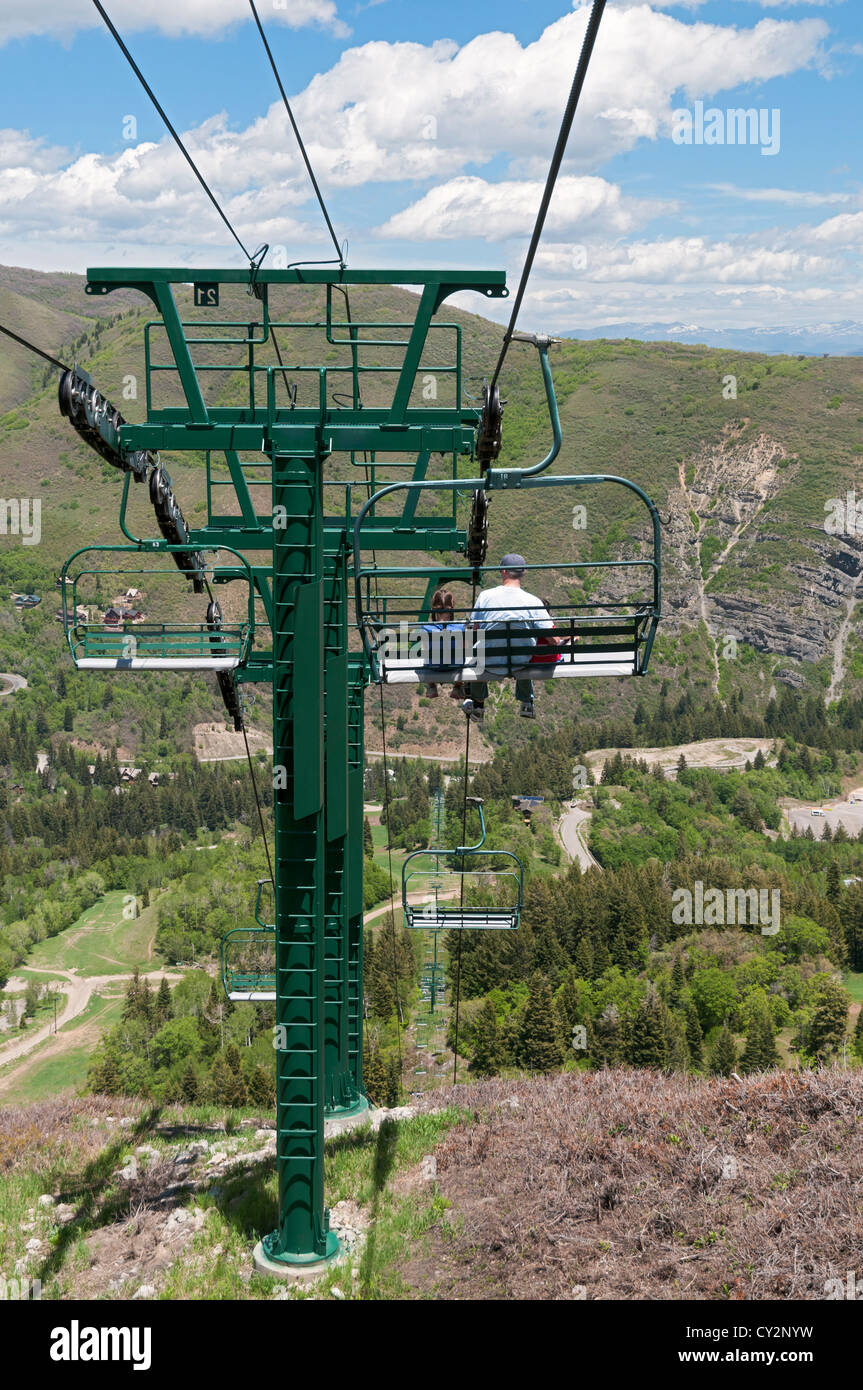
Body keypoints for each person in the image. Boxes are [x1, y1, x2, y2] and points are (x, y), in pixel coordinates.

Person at [462, 554, 571, 723]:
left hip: (491, 663)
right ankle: (527, 701)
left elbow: (474, 631)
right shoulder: (533, 601)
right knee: (525, 646)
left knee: (478, 656)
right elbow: (553, 640)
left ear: (502, 571)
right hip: (521, 662)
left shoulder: (485, 597)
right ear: (524, 572)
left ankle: (478, 704)